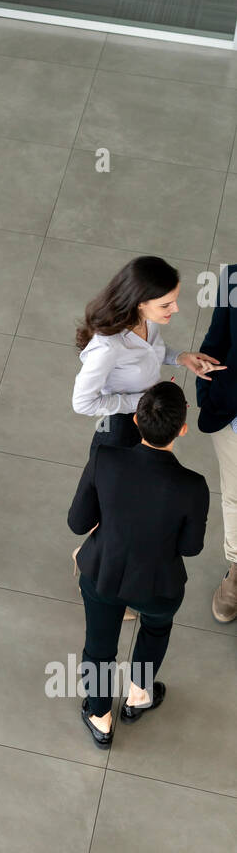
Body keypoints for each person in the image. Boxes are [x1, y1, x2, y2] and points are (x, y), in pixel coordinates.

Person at [67, 382, 209, 748]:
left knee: (99, 648)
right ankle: (138, 696)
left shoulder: (106, 460)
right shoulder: (194, 486)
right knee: (155, 631)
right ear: (182, 428)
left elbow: (77, 522)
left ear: (135, 419)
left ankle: (100, 717)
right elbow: (190, 548)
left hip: (103, 573)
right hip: (159, 585)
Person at [73, 255, 223, 452]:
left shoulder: (147, 319)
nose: (175, 309)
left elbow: (151, 350)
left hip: (147, 417)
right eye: (165, 305)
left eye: (174, 301)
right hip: (121, 431)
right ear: (140, 302)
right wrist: (145, 402)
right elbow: (82, 403)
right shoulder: (106, 348)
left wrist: (181, 358)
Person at [195, 261, 237, 622]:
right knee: (235, 497)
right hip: (233, 420)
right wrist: (207, 393)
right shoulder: (234, 277)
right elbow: (216, 340)